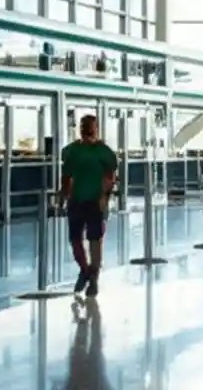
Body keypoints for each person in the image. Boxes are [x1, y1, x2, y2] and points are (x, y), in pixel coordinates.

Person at [60, 115, 118, 297]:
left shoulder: (104, 152)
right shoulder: (71, 151)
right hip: (76, 200)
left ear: (96, 128)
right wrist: (64, 195)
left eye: (91, 127)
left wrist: (104, 196)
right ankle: (85, 270)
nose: (88, 130)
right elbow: (66, 176)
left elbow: (110, 176)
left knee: (95, 240)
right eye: (85, 127)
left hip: (95, 201)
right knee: (75, 239)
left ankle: (93, 277)